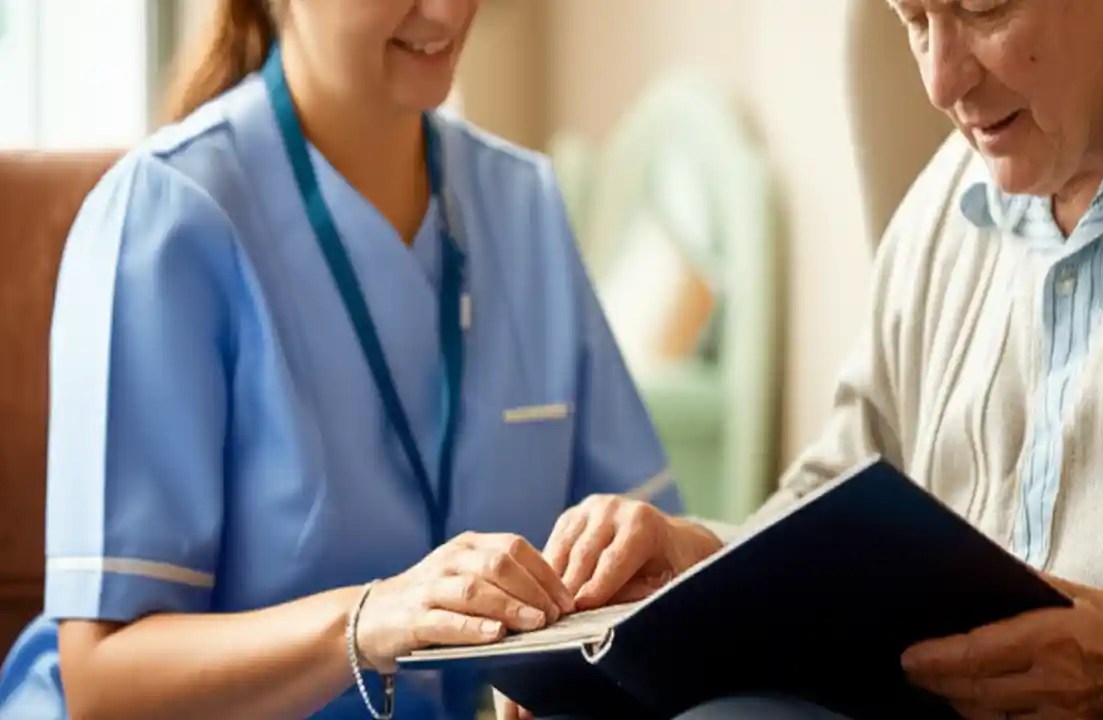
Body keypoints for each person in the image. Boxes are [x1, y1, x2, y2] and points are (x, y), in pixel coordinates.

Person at [500, 0, 1103, 718]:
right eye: (914, 17)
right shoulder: (943, 204)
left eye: (982, 8)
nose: (942, 81)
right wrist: (690, 560)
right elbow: (827, 499)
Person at [0, 0, 725, 718]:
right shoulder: (164, 215)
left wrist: (670, 548)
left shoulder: (523, 204)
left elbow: (654, 557)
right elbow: (101, 683)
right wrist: (368, 621)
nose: (445, 10)